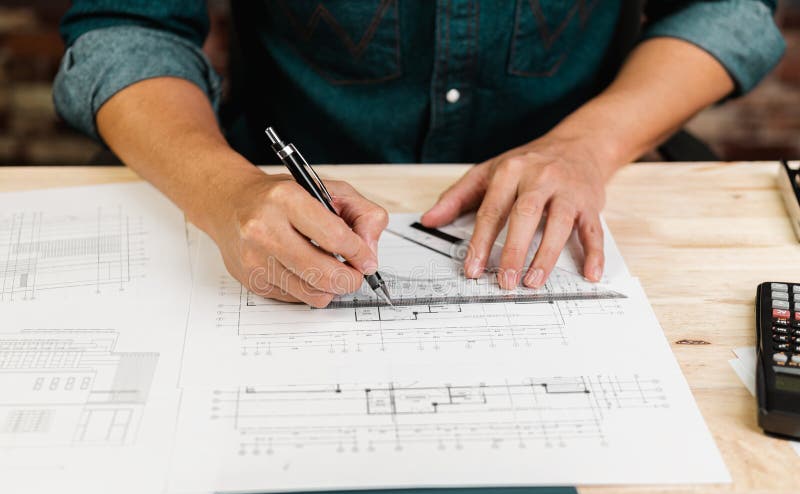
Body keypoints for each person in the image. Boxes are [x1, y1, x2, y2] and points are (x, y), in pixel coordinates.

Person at [54, 1, 784, 307]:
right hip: (275, 176)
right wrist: (223, 191)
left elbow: (728, 9)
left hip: (594, 166)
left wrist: (589, 145)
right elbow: (128, 29)